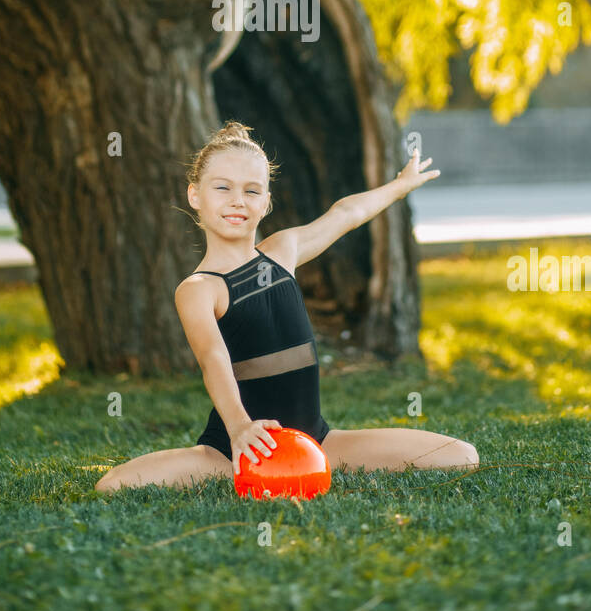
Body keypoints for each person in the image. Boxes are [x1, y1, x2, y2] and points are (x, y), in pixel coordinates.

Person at [95, 121, 478, 492]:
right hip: (232, 449)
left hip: (317, 443)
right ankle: (244, 467)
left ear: (266, 202)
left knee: (462, 456)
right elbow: (214, 360)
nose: (237, 201)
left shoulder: (282, 253)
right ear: (195, 195)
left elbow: (345, 214)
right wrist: (241, 428)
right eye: (223, 187)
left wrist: (400, 186)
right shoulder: (198, 289)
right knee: (113, 485)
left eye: (252, 191)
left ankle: (292, 463)